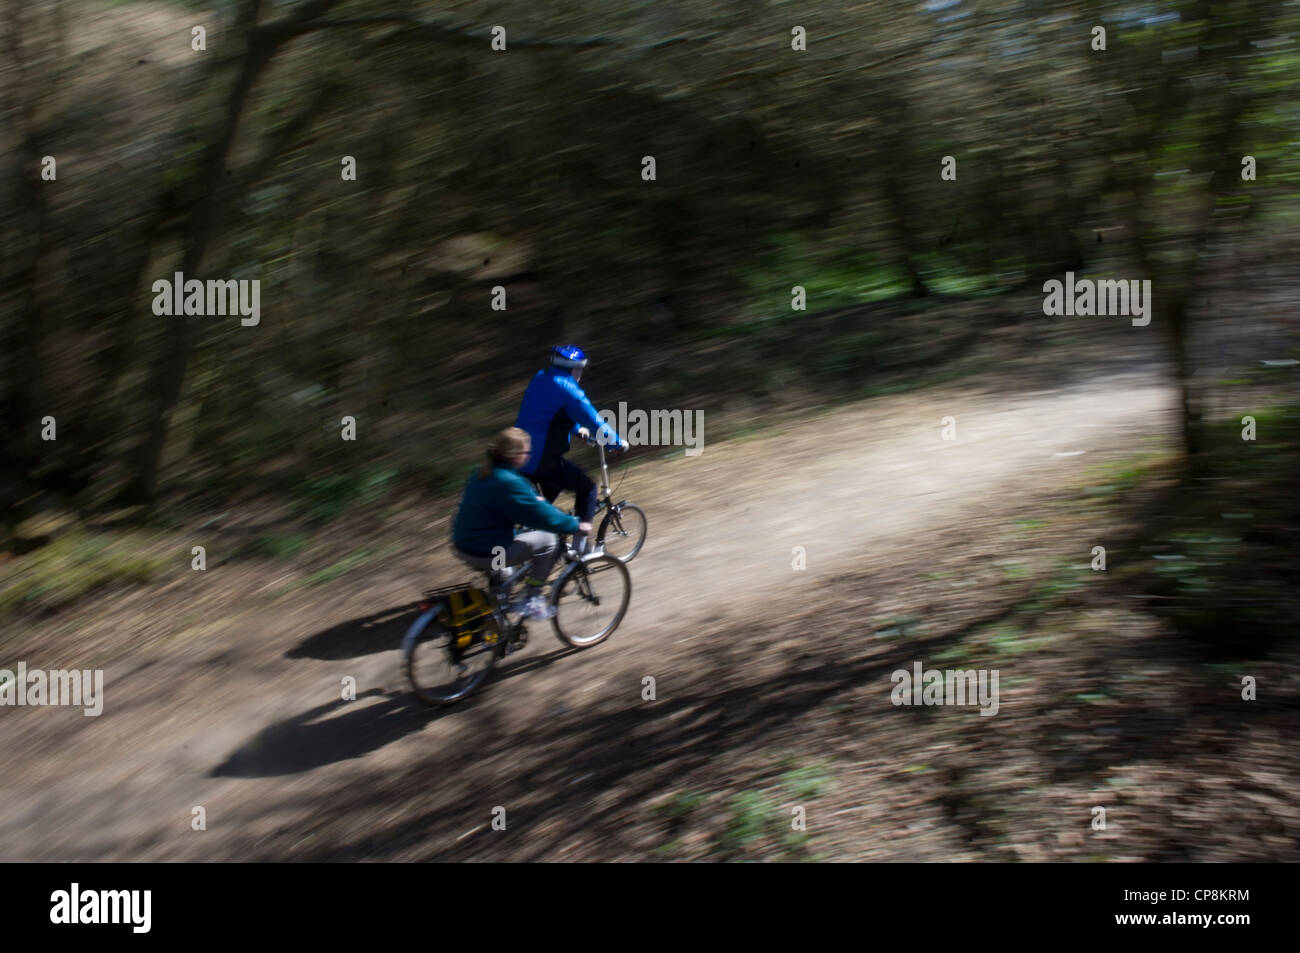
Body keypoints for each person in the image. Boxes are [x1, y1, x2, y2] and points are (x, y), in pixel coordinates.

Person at [451, 427, 589, 620]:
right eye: (527, 452)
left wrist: (533, 500)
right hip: (488, 552)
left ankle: (497, 615)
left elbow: (517, 500)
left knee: (505, 571)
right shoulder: (508, 481)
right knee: (549, 541)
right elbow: (543, 517)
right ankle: (532, 597)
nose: (529, 455)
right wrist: (575, 525)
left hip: (463, 547)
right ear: (515, 456)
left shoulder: (482, 473)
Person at [514, 345, 628, 554]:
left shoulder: (540, 378)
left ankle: (533, 543)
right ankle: (580, 550)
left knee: (540, 511)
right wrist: (616, 443)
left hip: (518, 456)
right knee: (588, 489)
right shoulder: (569, 390)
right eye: (580, 370)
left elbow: (546, 413)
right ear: (574, 369)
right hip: (543, 461)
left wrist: (576, 429)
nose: (581, 374)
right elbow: (594, 420)